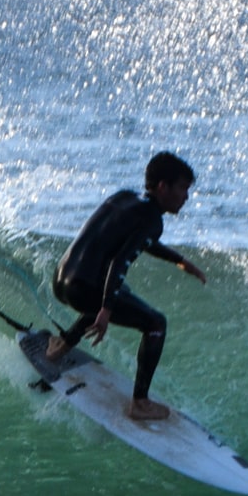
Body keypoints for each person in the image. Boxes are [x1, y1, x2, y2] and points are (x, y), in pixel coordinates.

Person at [45, 151, 207, 421]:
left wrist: (180, 261)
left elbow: (138, 242)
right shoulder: (152, 220)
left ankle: (62, 343)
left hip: (62, 279)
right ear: (162, 187)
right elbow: (120, 262)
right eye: (182, 189)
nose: (186, 197)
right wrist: (106, 310)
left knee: (121, 292)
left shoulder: (125, 198)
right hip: (85, 291)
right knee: (156, 323)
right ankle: (140, 403)